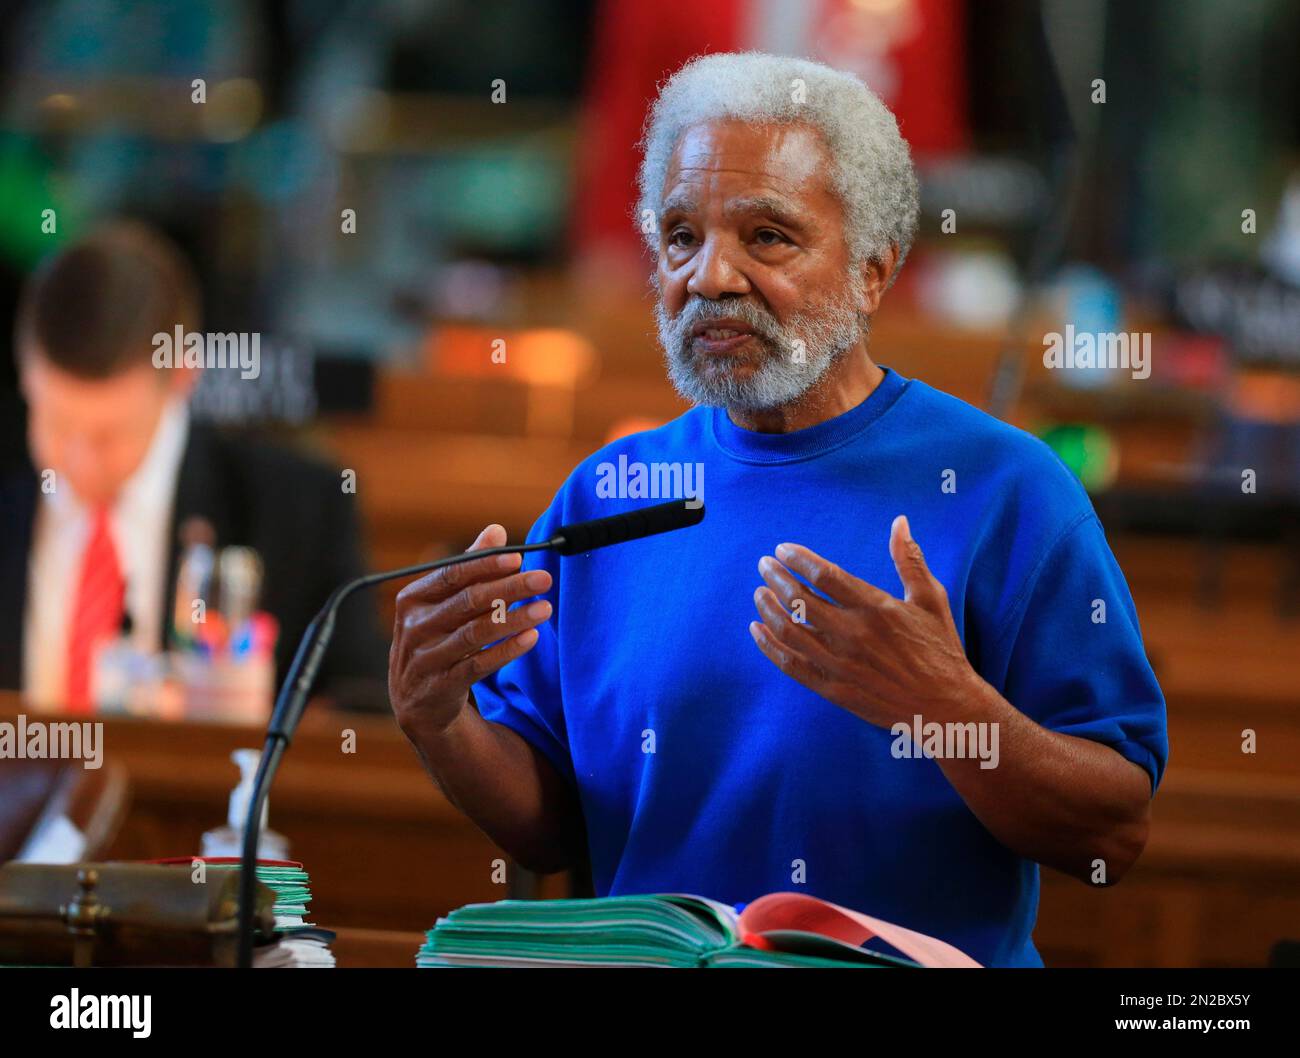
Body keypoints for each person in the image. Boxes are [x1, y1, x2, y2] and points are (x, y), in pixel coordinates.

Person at [387, 53, 1168, 967]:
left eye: (767, 238)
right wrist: (440, 722)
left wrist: (941, 707)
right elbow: (552, 830)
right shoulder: (608, 493)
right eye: (680, 236)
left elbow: (1111, 837)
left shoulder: (1008, 490)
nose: (709, 276)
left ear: (874, 270)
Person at [0, 221, 387, 711]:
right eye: (54, 423)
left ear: (182, 374)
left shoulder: (299, 512)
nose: (77, 462)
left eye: (108, 436)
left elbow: (359, 713)